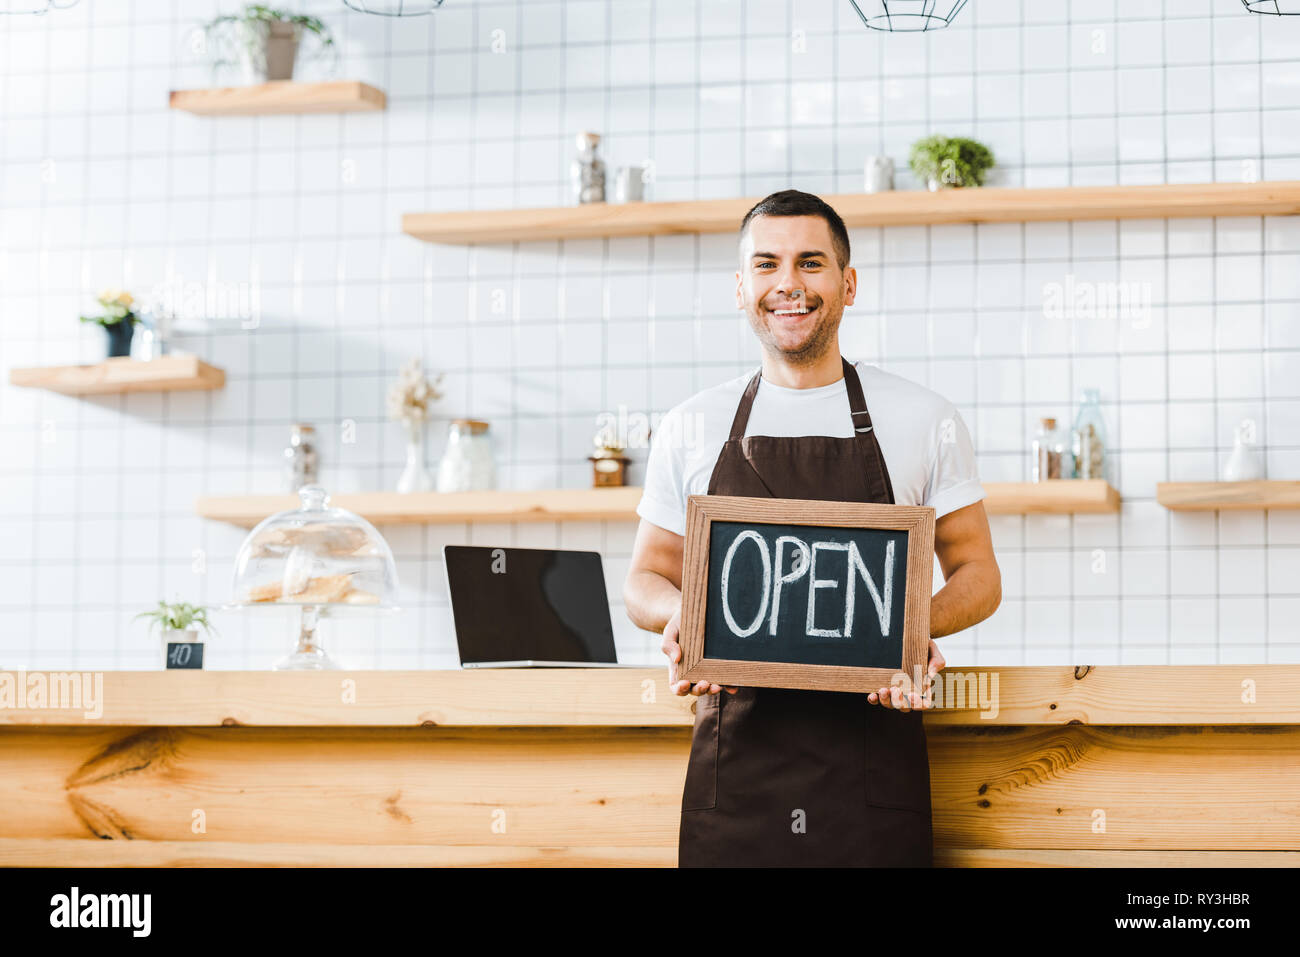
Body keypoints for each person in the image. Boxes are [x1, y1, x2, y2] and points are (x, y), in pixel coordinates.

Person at [623, 189, 1002, 867]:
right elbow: (644, 579)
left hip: (871, 786)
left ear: (848, 283)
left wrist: (913, 630)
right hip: (734, 786)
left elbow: (980, 575)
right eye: (767, 265)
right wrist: (683, 615)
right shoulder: (691, 425)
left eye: (811, 263)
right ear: (742, 288)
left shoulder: (923, 418)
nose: (788, 285)